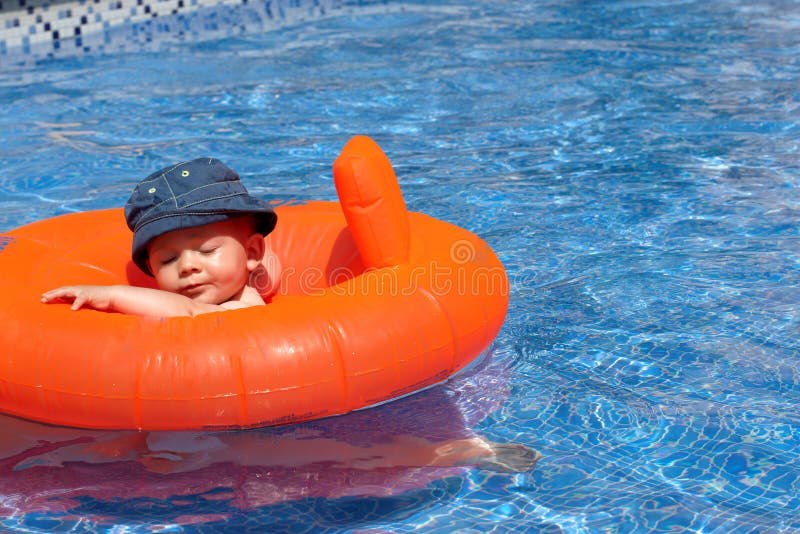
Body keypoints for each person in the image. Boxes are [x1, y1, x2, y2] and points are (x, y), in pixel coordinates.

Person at [41, 157, 279, 317]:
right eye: (167, 259)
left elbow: (190, 312)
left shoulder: (243, 307)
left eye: (206, 250)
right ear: (150, 267)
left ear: (252, 252)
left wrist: (111, 297)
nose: (186, 266)